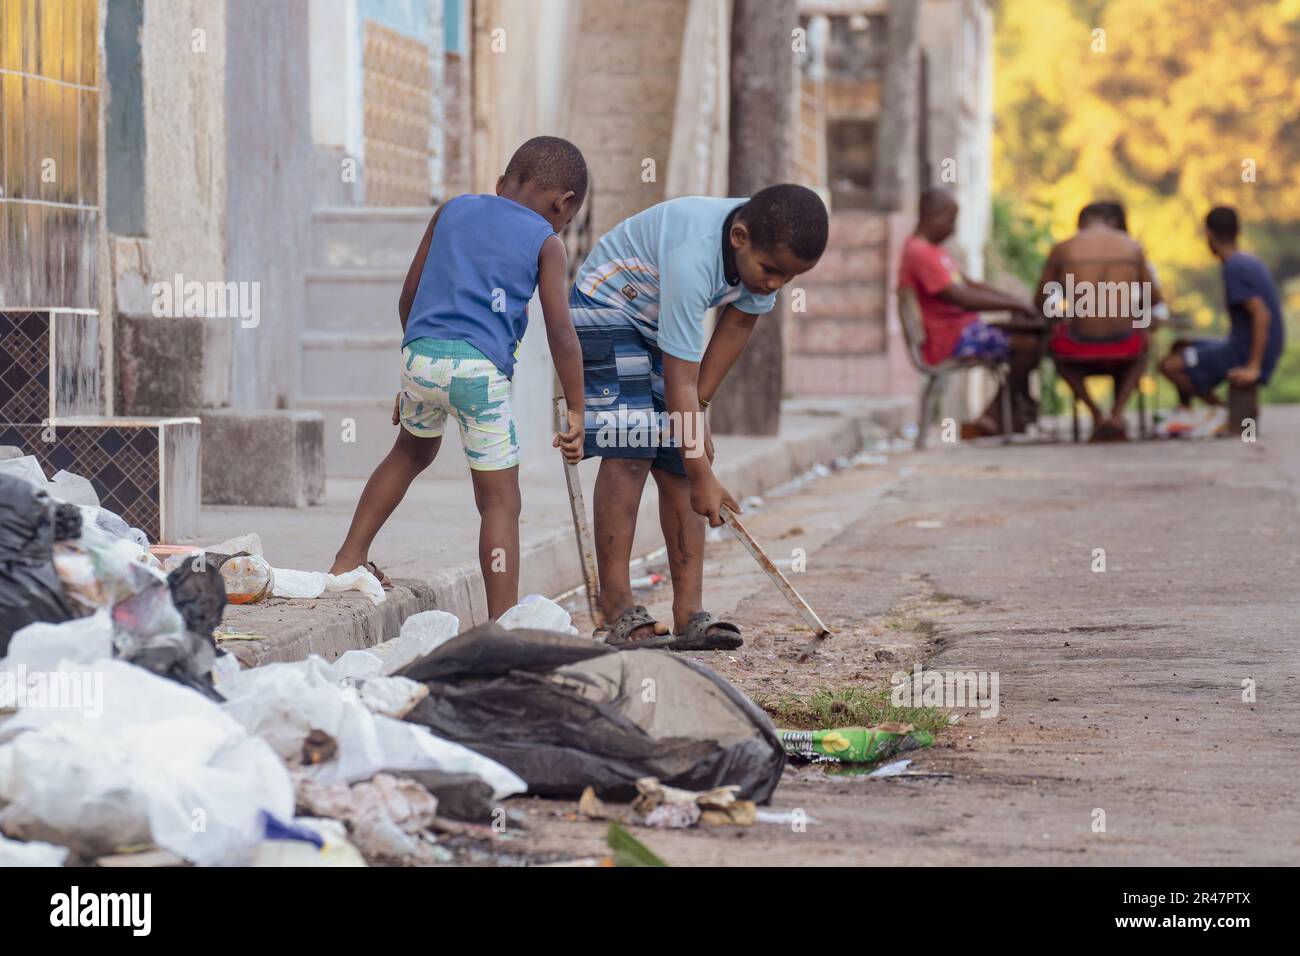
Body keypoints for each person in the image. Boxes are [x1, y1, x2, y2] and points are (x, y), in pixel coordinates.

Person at [328, 136, 589, 618]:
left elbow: (408, 297)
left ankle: (347, 559)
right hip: (479, 372)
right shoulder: (546, 242)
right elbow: (561, 333)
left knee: (409, 451)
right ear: (564, 203)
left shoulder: (452, 210)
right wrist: (576, 406)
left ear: (499, 184)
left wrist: (416, 371)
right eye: (567, 220)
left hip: (420, 355)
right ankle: (502, 620)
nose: (562, 226)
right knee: (500, 503)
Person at [570, 185, 828, 650]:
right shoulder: (695, 257)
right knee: (632, 448)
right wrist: (701, 465)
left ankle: (690, 612)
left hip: (658, 323)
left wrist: (698, 416)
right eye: (770, 271)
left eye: (788, 279)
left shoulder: (759, 253)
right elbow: (680, 381)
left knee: (677, 460)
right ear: (740, 238)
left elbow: (738, 325)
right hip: (607, 306)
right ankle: (617, 607)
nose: (773, 286)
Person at [898, 187, 1041, 437]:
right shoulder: (919, 252)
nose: (953, 229)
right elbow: (961, 297)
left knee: (1029, 336)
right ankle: (997, 414)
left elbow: (970, 285)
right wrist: (1014, 306)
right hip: (949, 340)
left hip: (963, 332)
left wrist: (1015, 301)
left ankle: (1001, 413)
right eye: (951, 221)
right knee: (1028, 344)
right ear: (935, 215)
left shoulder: (934, 251)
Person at [1036, 201, 1163, 441]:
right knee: (1142, 348)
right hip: (1125, 343)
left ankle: (1096, 415)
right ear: (1112, 222)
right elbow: (1154, 299)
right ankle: (1115, 415)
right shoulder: (1133, 248)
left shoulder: (1063, 248)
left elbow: (1042, 300)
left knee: (1057, 353)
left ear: (1081, 223)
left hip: (1077, 344)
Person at [1158, 206, 1285, 438]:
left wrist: (1253, 367)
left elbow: (1261, 315)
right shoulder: (1249, 261)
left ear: (1208, 235)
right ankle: (1187, 412)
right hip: (1246, 344)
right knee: (1181, 346)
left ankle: (1225, 413)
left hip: (1244, 351)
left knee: (1169, 365)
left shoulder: (1233, 267)